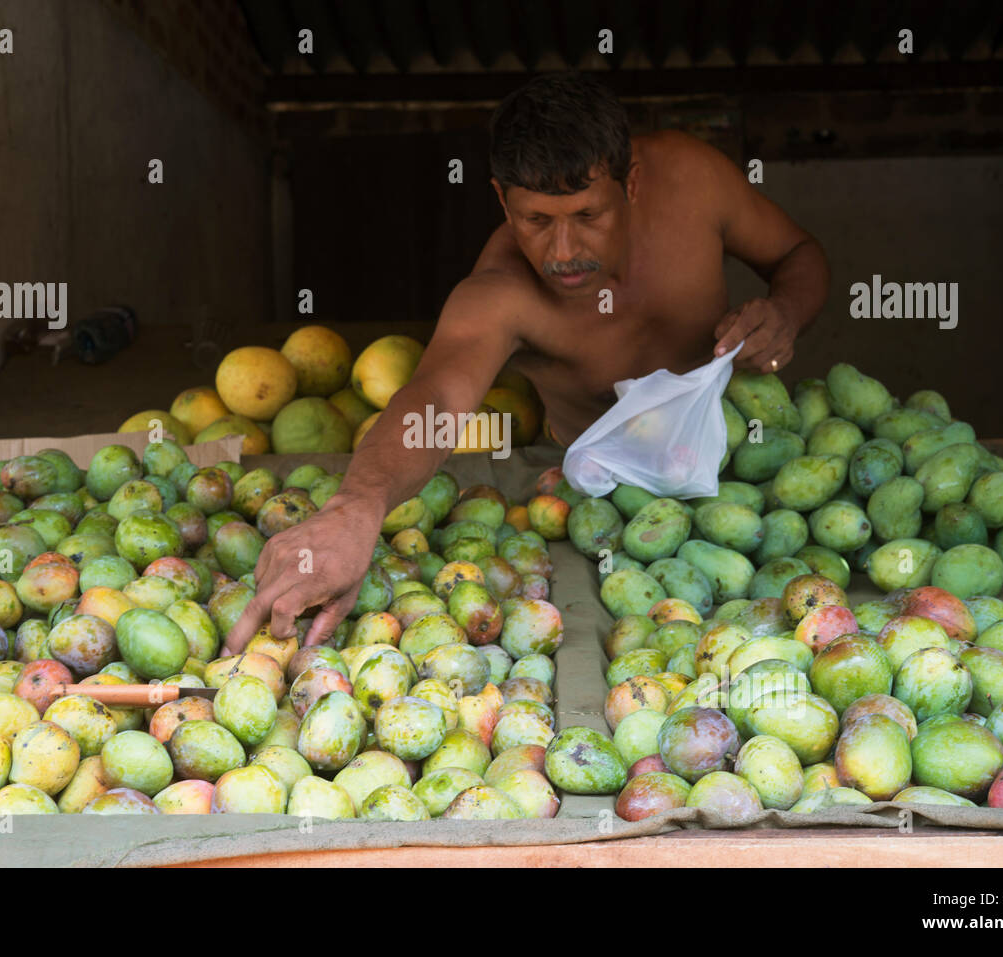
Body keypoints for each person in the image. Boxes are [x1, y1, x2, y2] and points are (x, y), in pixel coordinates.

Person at [224, 71, 829, 654]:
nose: (563, 252)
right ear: (500, 200)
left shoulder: (694, 181)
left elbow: (801, 253)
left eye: (588, 216)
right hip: (608, 502)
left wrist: (784, 312)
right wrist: (356, 506)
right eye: (537, 221)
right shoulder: (497, 296)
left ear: (633, 183)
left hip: (745, 463)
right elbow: (432, 403)